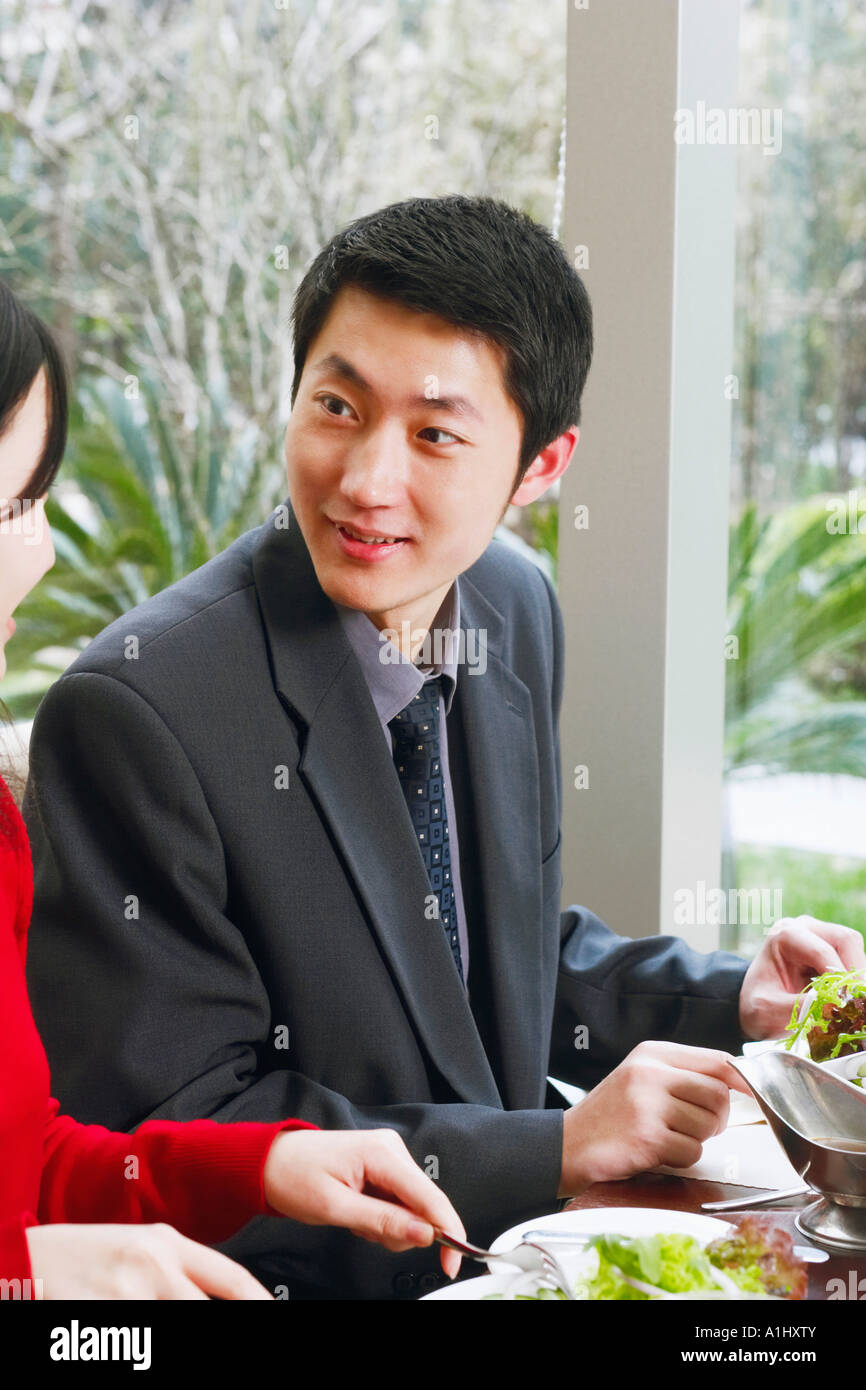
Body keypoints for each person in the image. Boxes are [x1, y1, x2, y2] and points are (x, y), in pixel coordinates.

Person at [23, 195, 866, 1301]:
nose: (365, 480)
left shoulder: (510, 604)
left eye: (433, 434)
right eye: (335, 405)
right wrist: (547, 1150)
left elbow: (482, 953)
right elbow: (175, 1128)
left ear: (540, 463)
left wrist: (728, 1001)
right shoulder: (140, 709)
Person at [0, 274, 466, 1301]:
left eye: (38, 500)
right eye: (13, 503)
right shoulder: (144, 704)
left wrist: (259, 1162)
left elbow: (27, 1167)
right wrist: (30, 1280)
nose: (35, 552)